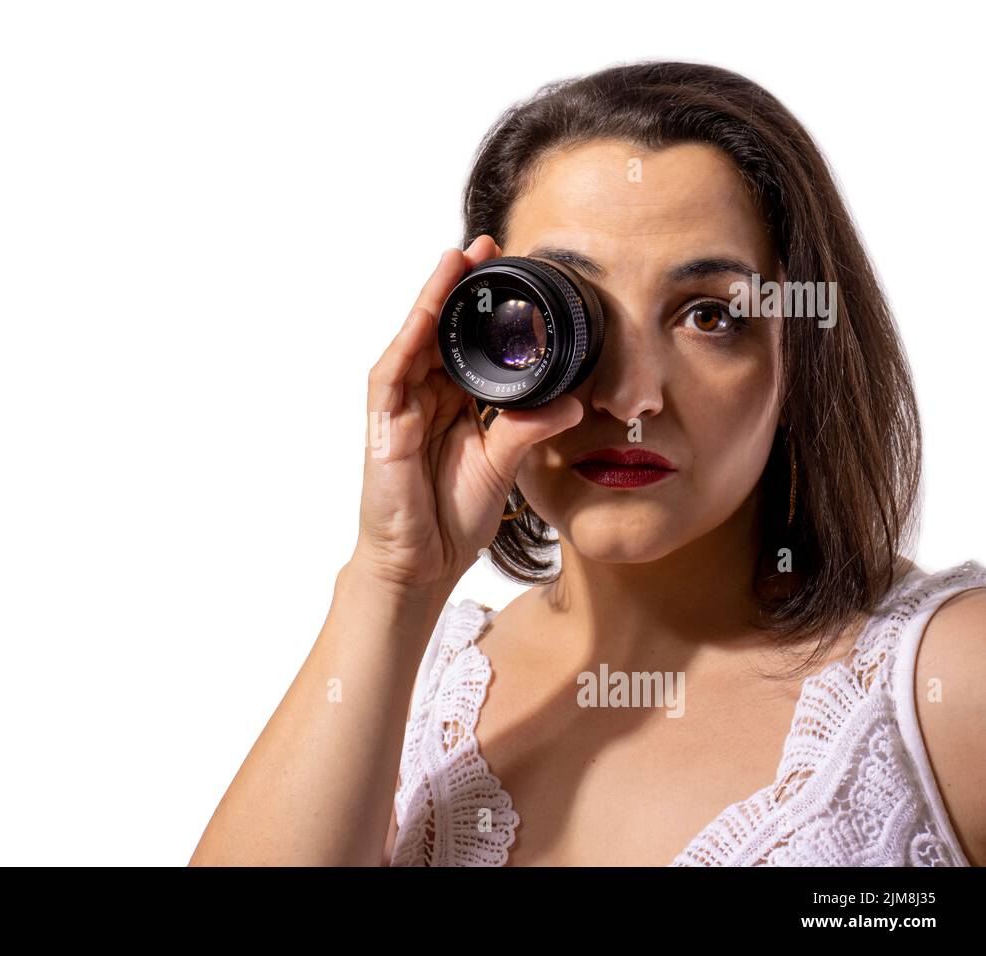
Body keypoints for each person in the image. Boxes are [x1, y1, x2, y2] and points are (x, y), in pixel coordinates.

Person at [188, 60, 986, 867]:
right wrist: (392, 581)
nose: (632, 399)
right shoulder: (404, 691)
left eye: (709, 314)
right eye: (573, 312)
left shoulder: (946, 687)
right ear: (486, 344)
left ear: (800, 350)